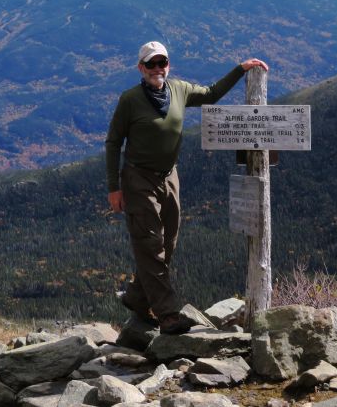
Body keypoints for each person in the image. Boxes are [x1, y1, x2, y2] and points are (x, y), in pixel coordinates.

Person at [105, 41, 268, 334]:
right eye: (151, 64)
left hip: (169, 176)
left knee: (168, 244)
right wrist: (114, 188)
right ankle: (167, 314)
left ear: (168, 65)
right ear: (140, 68)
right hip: (138, 180)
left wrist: (241, 69)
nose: (158, 69)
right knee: (150, 244)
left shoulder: (178, 89)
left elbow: (212, 94)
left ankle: (136, 296)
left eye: (162, 62)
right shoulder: (129, 99)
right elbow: (114, 142)